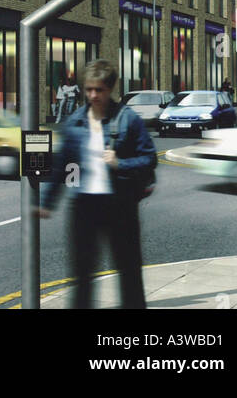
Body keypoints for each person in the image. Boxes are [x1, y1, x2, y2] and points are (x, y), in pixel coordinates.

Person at [38, 60, 155, 310]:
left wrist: (120, 163)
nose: (93, 95)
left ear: (110, 89)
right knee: (82, 273)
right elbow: (61, 165)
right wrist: (47, 202)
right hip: (84, 205)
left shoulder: (128, 119)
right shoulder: (75, 121)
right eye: (89, 89)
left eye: (99, 90)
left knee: (129, 270)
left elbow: (150, 159)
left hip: (120, 205)